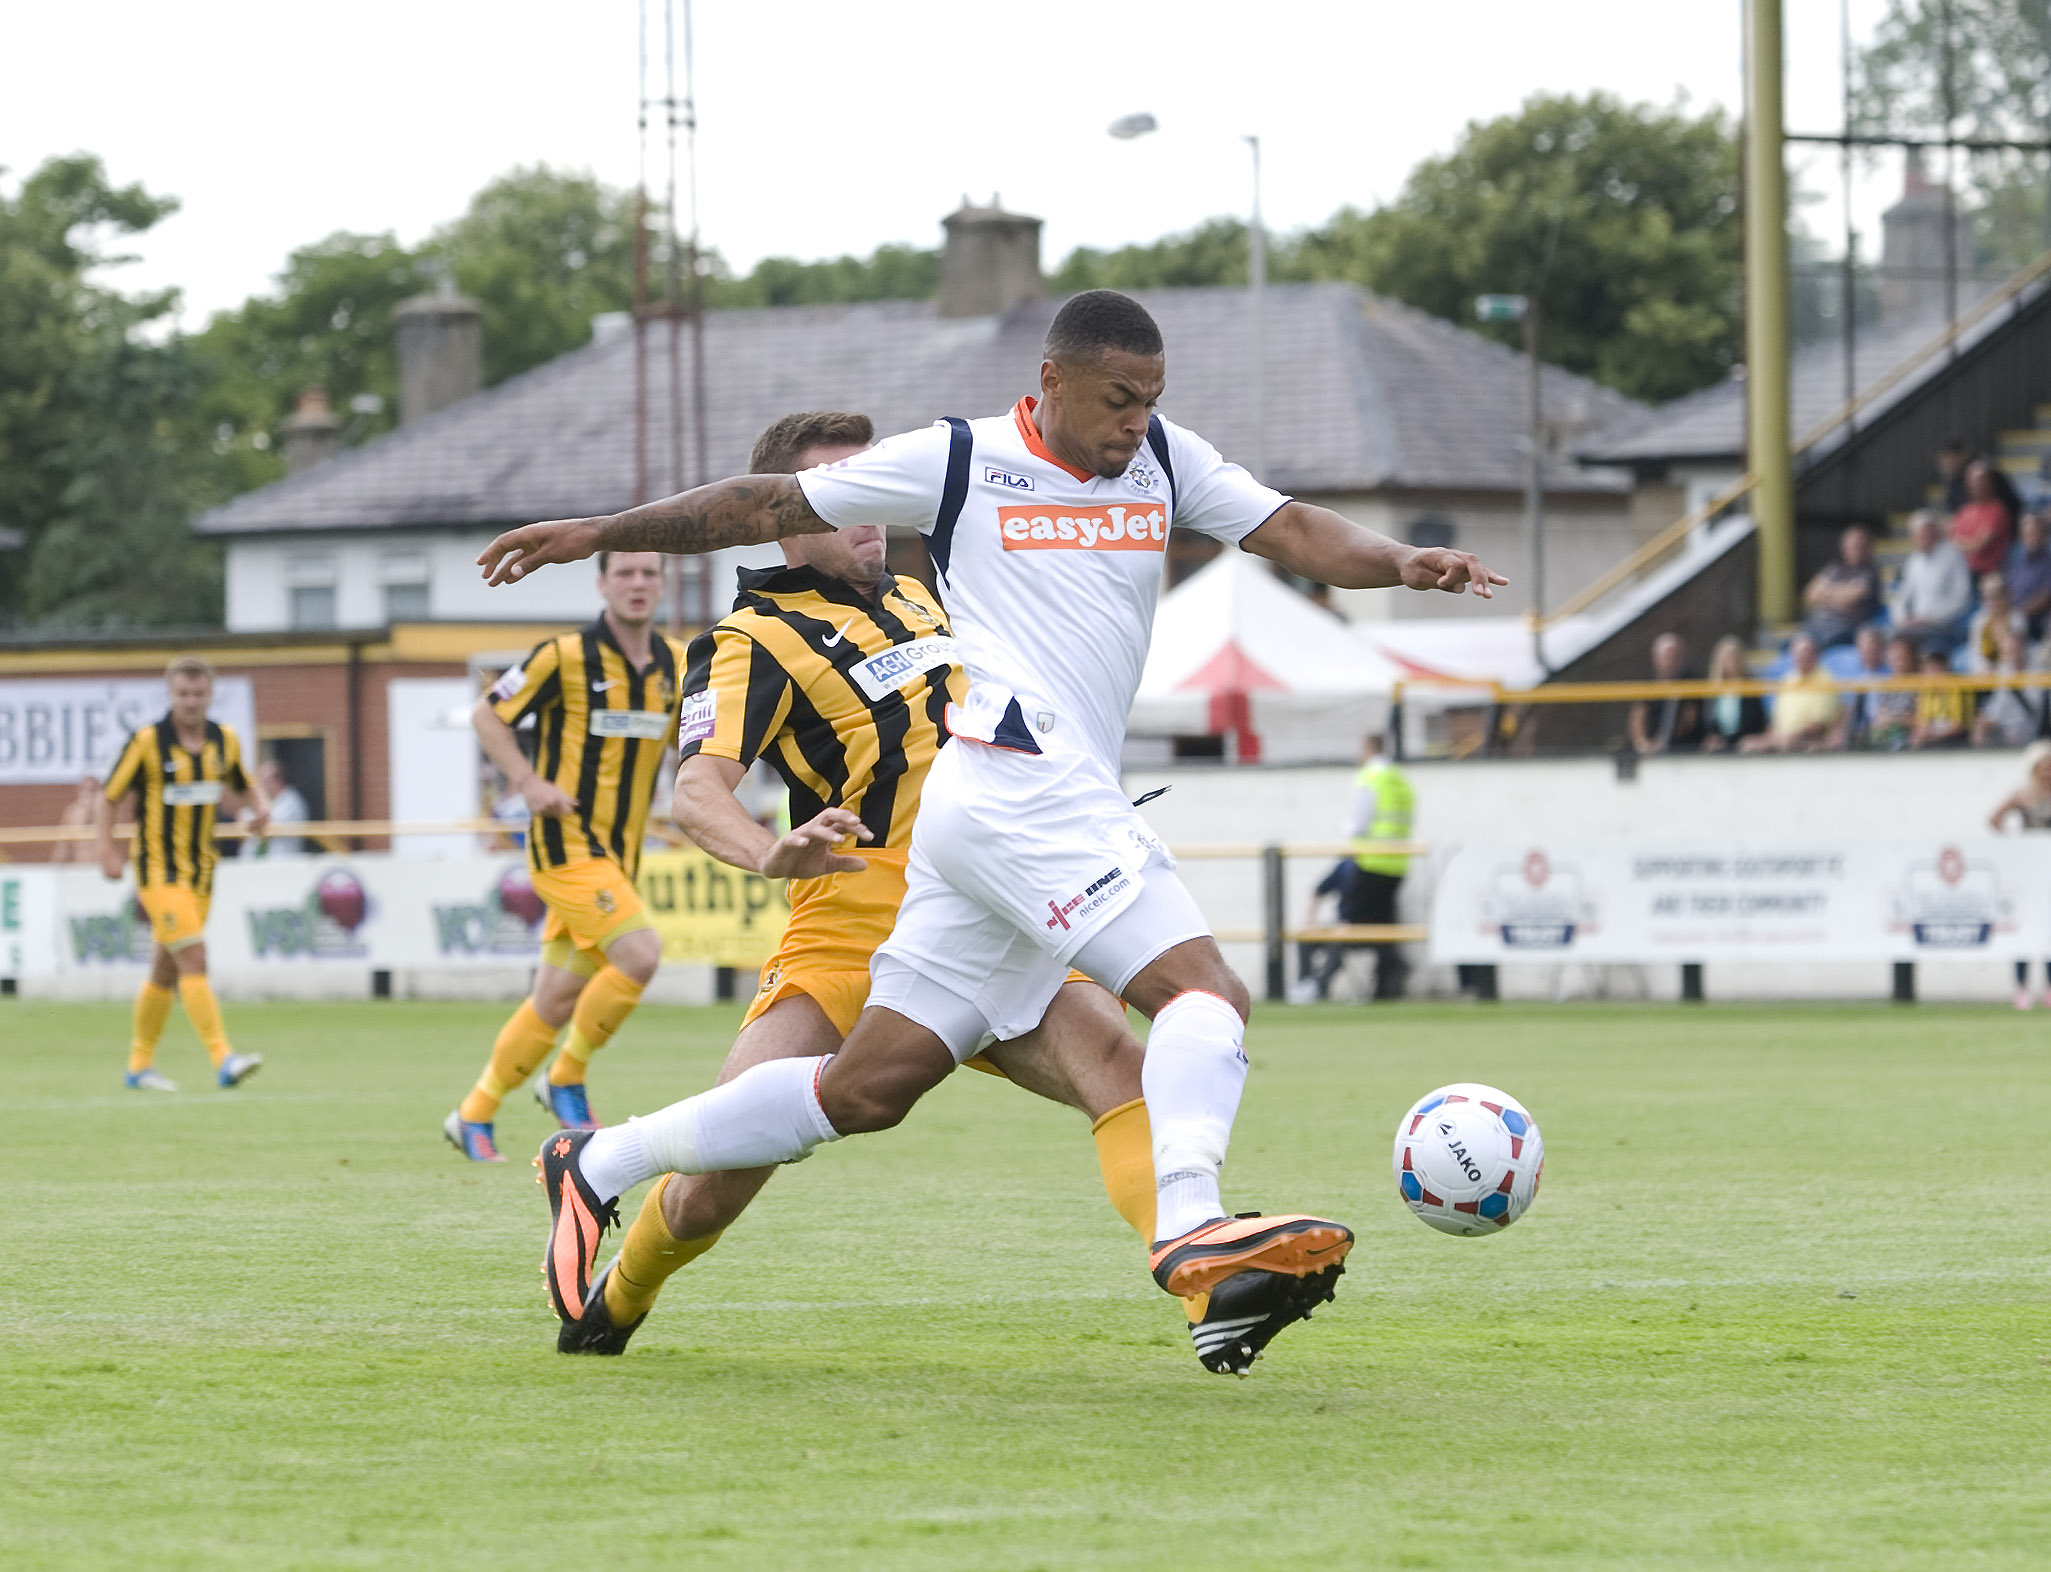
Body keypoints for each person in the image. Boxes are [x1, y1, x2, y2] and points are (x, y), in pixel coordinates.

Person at [478, 288, 1506, 1367]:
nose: (1136, 421)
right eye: (1117, 399)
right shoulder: (928, 488)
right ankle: (1192, 1232)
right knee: (1203, 994)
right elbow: (746, 541)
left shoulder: (1131, 473)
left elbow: (1287, 526)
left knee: (875, 1092)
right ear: (1051, 381)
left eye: (1150, 399)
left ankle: (599, 1160)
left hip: (981, 849)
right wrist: (599, 533)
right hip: (985, 828)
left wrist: (1397, 559)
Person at [566, 412, 1270, 1373]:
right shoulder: (751, 637)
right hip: (849, 927)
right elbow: (696, 792)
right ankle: (619, 1293)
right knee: (725, 1171)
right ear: (787, 516)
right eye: (839, 495)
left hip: (995, 896)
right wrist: (771, 853)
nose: (868, 514)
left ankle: (1208, 1288)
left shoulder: (923, 595)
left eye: (869, 489)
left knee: (1119, 1068)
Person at [443, 552, 686, 1160]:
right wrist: (527, 782)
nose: (637, 583)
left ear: (662, 584)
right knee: (640, 954)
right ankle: (565, 1077)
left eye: (648, 573)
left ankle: (473, 1114)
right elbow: (486, 715)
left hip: (619, 857)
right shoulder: (563, 656)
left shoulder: (678, 664)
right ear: (602, 583)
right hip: (565, 847)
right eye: (625, 573)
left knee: (553, 1001)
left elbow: (699, 741)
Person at [95, 656, 270, 1092]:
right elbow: (109, 796)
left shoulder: (224, 740)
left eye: (199, 693)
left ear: (210, 694)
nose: (191, 701)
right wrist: (106, 851)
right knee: (194, 956)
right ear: (170, 695)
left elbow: (243, 783)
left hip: (202, 873)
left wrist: (261, 808)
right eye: (183, 694)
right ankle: (224, 1059)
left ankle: (139, 1066)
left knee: (165, 969)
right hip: (158, 870)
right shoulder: (147, 742)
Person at [1343, 735, 1413, 1000]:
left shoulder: (1371, 777)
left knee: (1355, 922)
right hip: (1397, 863)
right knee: (1385, 924)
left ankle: (1396, 965)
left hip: (1371, 861)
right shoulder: (1400, 779)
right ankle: (1386, 987)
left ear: (1369, 748)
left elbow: (1359, 823)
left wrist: (1345, 829)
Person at [1989, 740, 2051, 1008]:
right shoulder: (2024, 796)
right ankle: (2022, 986)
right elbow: (1994, 819)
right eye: (2043, 767)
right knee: (2025, 928)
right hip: (2030, 871)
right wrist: (2014, 846)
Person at [1742, 633, 1847, 753]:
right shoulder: (1788, 679)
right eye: (1799, 653)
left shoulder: (1825, 681)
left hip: (1810, 741)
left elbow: (1819, 725)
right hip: (1783, 740)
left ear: (1816, 655)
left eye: (1807, 653)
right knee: (1747, 744)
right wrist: (1769, 738)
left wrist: (1789, 737)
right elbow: (1776, 722)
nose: (1803, 657)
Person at [1891, 510, 1974, 652]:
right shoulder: (1914, 561)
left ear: (1935, 533)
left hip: (1945, 624)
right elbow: (1901, 597)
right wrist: (1902, 618)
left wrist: (1932, 618)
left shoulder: (1953, 555)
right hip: (1916, 624)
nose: (1922, 538)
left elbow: (1963, 599)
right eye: (1918, 535)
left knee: (1901, 640)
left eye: (1926, 533)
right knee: (1893, 638)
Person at [1800, 526, 1881, 650]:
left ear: (1868, 548)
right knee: (1793, 646)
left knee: (1812, 650)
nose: (1853, 550)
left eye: (1858, 546)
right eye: (1849, 546)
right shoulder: (1834, 568)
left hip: (1846, 629)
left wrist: (1825, 593)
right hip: (1817, 625)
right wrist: (1840, 594)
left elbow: (1851, 598)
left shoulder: (1870, 571)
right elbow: (1810, 594)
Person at [1288, 859, 1355, 1003]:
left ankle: (1318, 987)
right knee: (1305, 938)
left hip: (1365, 926)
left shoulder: (1382, 868)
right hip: (1340, 927)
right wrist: (1310, 922)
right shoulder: (1346, 866)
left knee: (1336, 944)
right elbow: (1319, 890)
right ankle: (1304, 984)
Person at [1627, 632, 1705, 754]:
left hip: (1683, 748)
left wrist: (1664, 741)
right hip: (1651, 749)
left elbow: (1689, 720)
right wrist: (1643, 742)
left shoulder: (1691, 683)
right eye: (1666, 655)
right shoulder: (1648, 685)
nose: (1670, 659)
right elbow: (1638, 716)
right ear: (1656, 657)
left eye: (1674, 655)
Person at [1971, 628, 2045, 748]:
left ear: (2024, 649)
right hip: (2003, 724)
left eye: (2015, 650)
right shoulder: (2005, 671)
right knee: (1979, 724)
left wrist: (1995, 720)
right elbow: (1997, 705)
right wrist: (1987, 719)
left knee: (2007, 731)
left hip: (2027, 725)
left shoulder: (2038, 673)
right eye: (2007, 652)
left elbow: (2034, 709)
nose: (2012, 655)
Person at [1698, 635, 1768, 752]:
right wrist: (1711, 737)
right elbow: (1707, 722)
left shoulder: (1751, 687)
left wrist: (1754, 738)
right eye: (1728, 658)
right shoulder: (1713, 688)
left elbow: (1760, 721)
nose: (1732, 662)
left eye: (1735, 657)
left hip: (1746, 744)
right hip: (1719, 745)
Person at [1952, 460, 2016, 579]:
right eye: (1973, 481)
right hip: (1965, 573)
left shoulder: (1997, 510)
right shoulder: (1965, 511)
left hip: (1991, 574)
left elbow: (1979, 546)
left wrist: (1959, 543)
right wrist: (1962, 543)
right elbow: (1953, 539)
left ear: (1990, 482)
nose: (1977, 485)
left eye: (1981, 480)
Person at [1863, 632, 1921, 751]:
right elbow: (1879, 717)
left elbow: (1922, 720)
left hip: (1910, 739)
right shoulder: (1887, 685)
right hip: (1887, 736)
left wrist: (1897, 720)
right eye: (1894, 653)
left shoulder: (1921, 684)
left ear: (1911, 656)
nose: (1898, 658)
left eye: (1902, 653)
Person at [1910, 649, 1970, 748]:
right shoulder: (1926, 692)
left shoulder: (1959, 690)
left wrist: (1933, 735)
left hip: (1955, 740)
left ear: (1945, 668)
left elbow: (1959, 727)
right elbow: (1921, 723)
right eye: (1927, 671)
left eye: (1934, 669)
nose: (1930, 675)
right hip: (1932, 738)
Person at [2007, 511, 2051, 643]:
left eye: (2035, 533)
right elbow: (2006, 586)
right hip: (2012, 613)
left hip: (2038, 620)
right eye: (2027, 534)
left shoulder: (2048, 560)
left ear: (2044, 535)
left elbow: (2046, 597)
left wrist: (2019, 612)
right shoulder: (2015, 557)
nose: (2031, 538)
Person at [250, 758, 310, 855]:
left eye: (264, 781)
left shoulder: (292, 801)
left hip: (285, 858)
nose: (260, 786)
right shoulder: (273, 801)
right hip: (269, 859)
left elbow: (265, 824)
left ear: (277, 781)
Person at [50, 774, 100, 863]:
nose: (88, 793)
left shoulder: (105, 812)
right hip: (81, 865)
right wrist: (54, 867)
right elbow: (62, 846)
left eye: (92, 789)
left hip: (101, 865)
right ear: (78, 790)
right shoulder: (71, 812)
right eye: (84, 789)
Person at [1935, 438, 1971, 513]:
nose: (1946, 462)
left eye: (1950, 457)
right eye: (1943, 458)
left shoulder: (1970, 479)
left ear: (1962, 457)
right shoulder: (1949, 480)